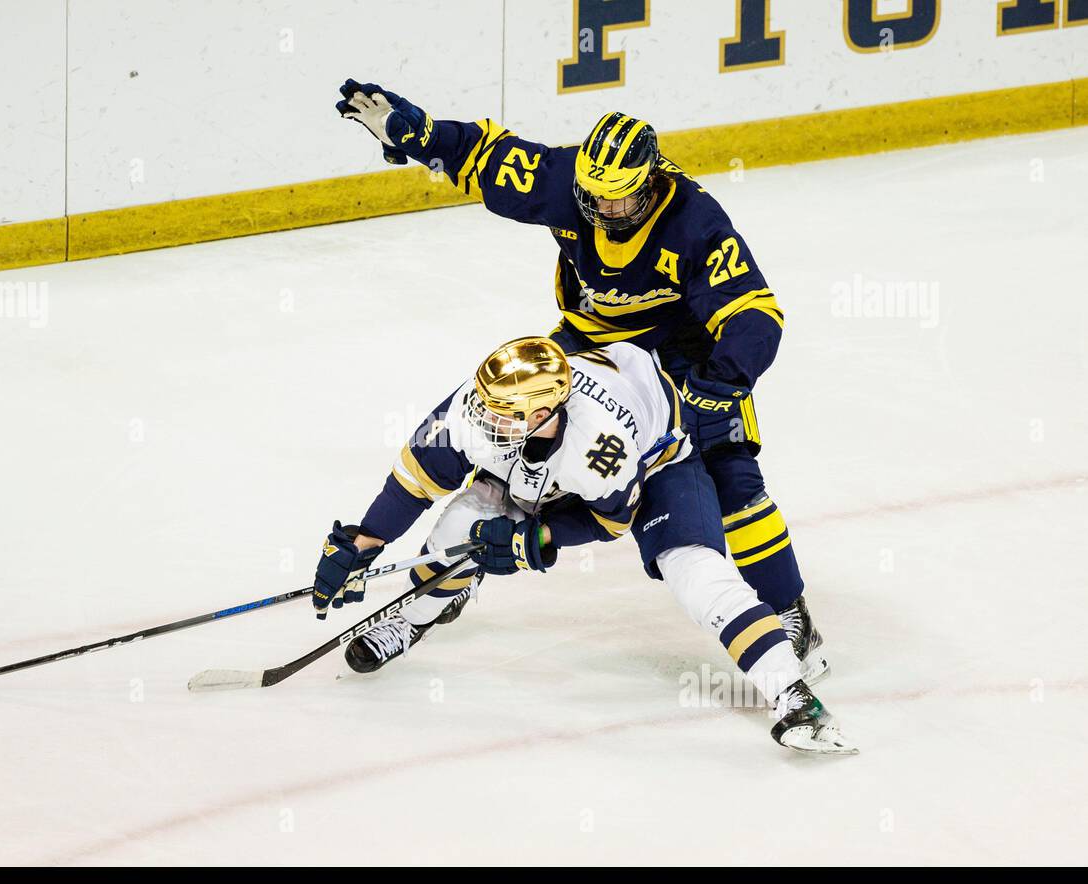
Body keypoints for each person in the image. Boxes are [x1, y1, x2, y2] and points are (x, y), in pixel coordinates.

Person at [334, 80, 827, 680]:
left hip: (683, 359)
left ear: (651, 182)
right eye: (595, 199)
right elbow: (489, 159)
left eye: (619, 200)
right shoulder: (570, 181)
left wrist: (718, 384)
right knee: (509, 450)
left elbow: (756, 314)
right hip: (589, 339)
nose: (604, 212)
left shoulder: (695, 222)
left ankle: (786, 608)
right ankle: (450, 577)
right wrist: (419, 134)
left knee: (733, 480)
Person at [311, 336, 854, 754]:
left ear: (544, 413)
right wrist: (362, 543)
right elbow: (413, 483)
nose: (483, 418)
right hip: (547, 460)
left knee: (697, 575)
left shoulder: (602, 444)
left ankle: (793, 695)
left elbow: (609, 521)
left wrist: (537, 537)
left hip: (659, 462)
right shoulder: (473, 412)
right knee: (459, 531)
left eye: (503, 413)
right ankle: (414, 619)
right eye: (485, 404)